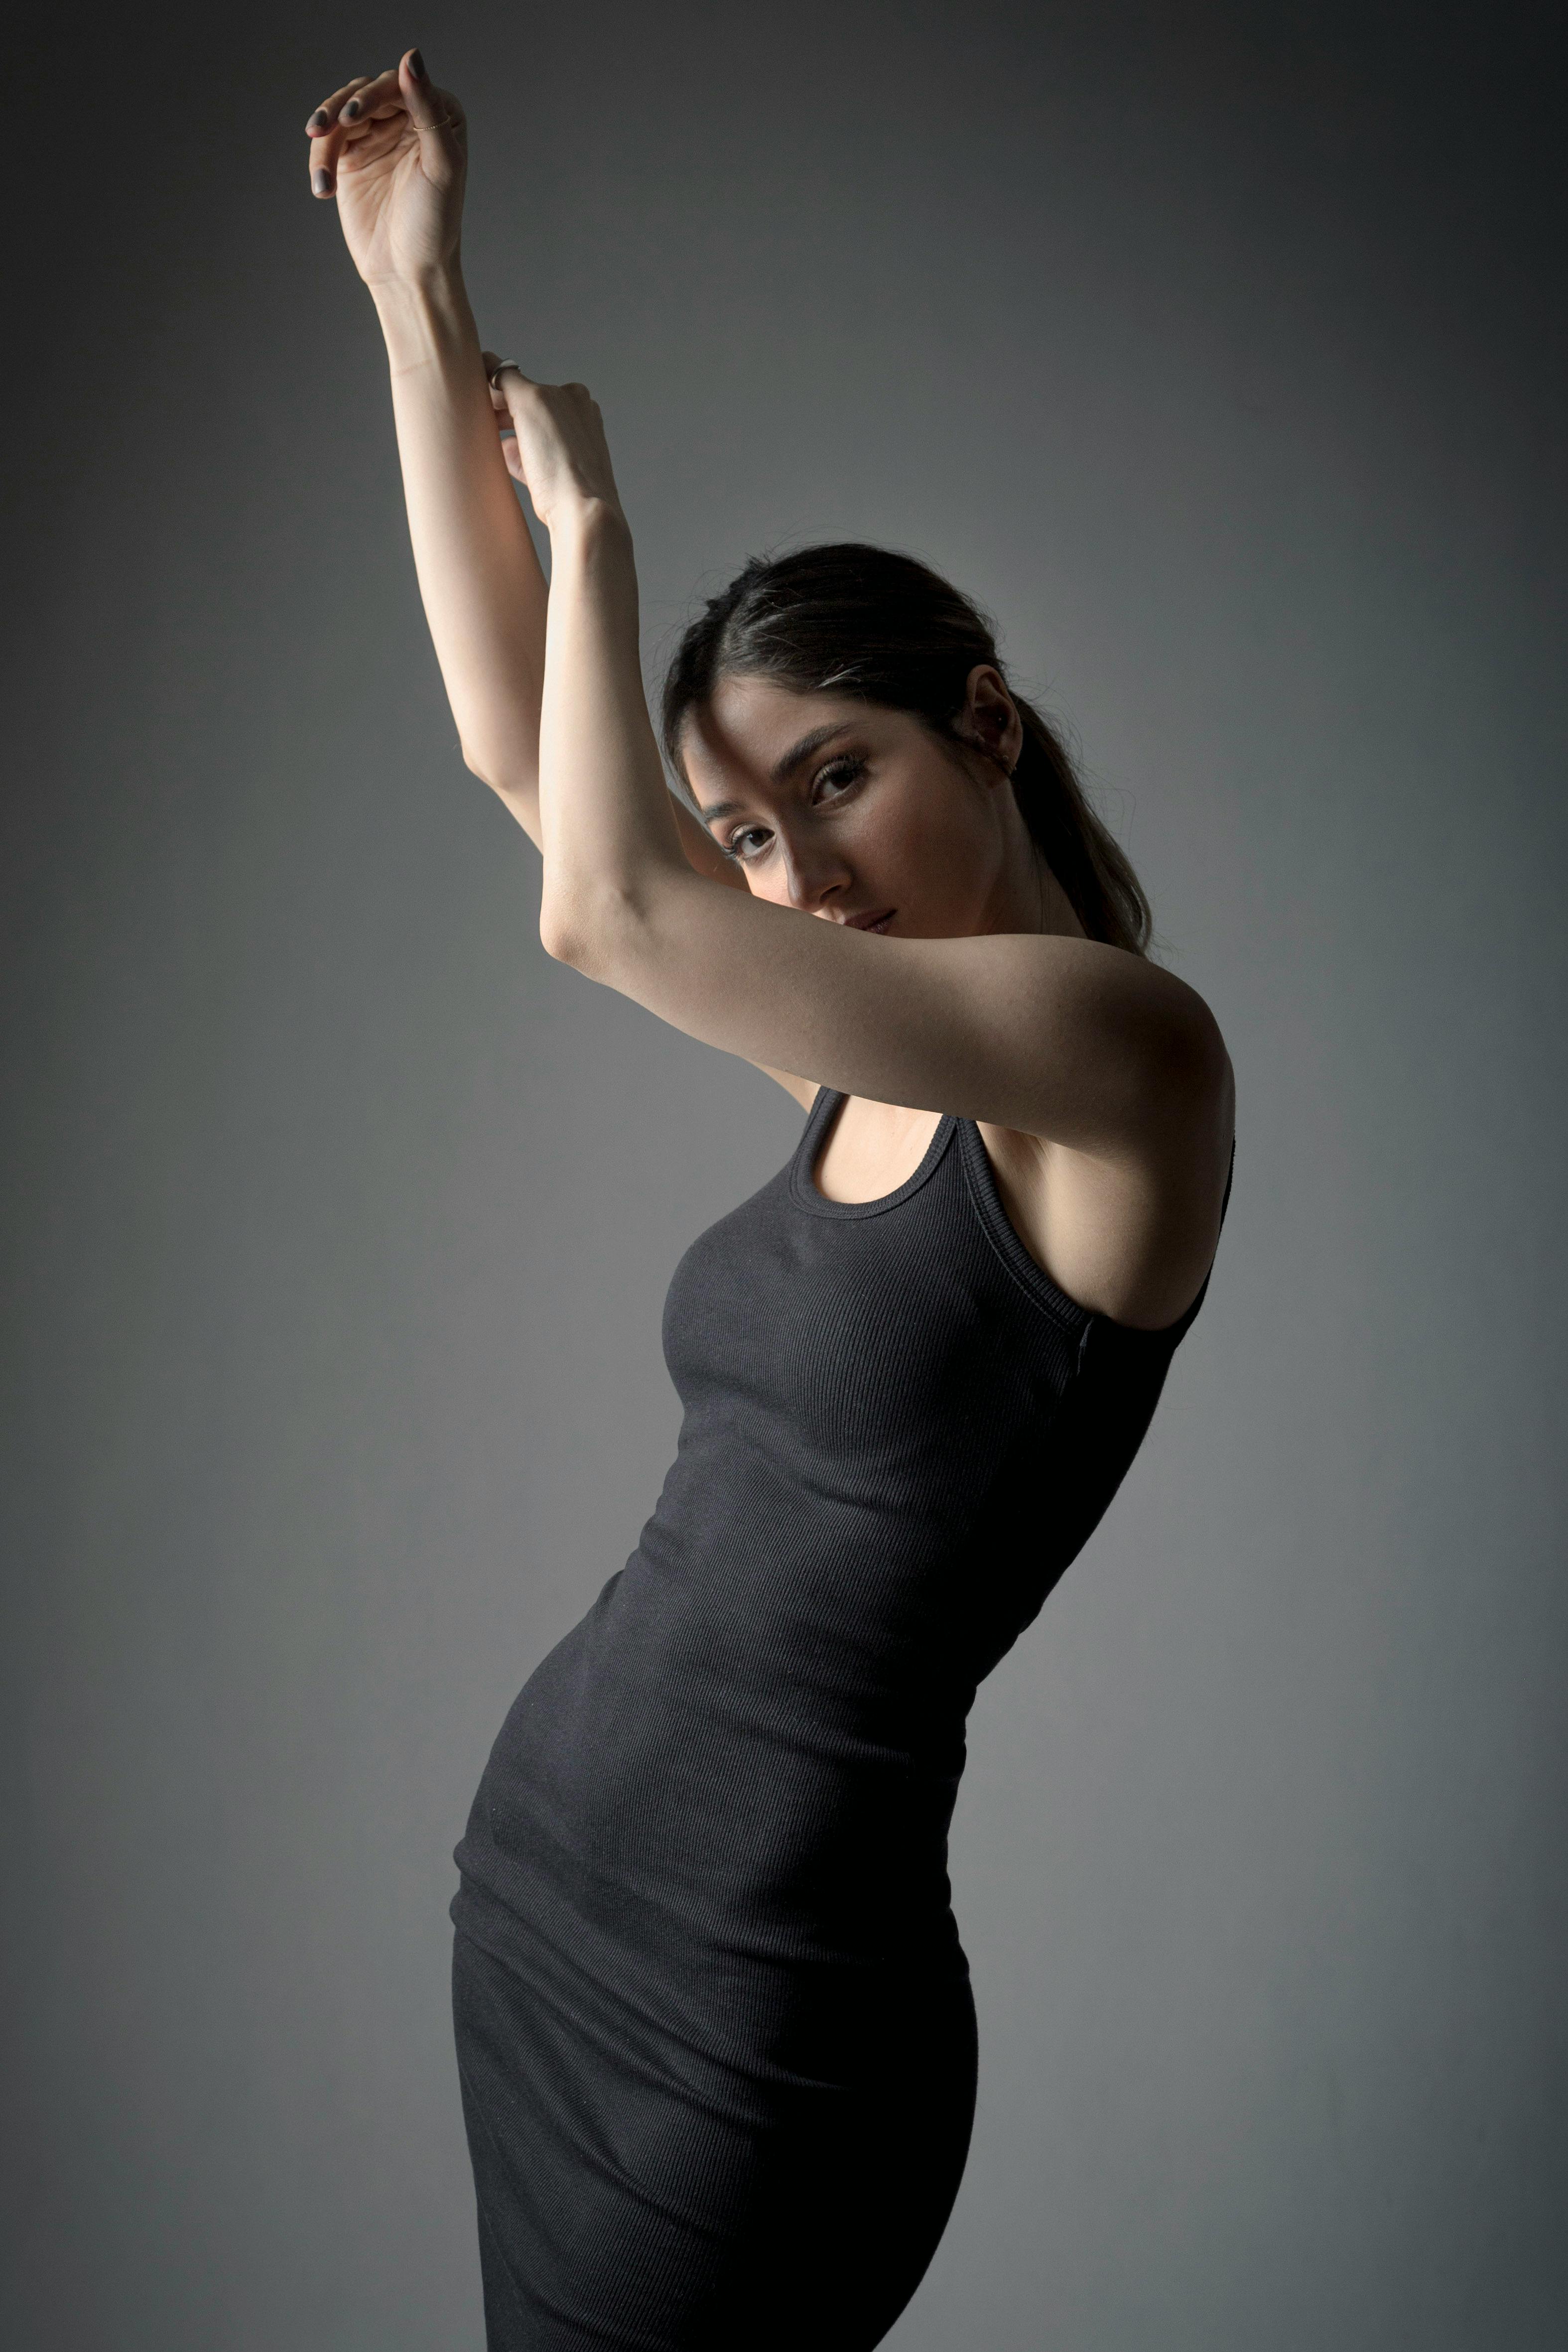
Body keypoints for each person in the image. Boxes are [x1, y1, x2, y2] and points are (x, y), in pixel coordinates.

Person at [304, 48, 1236, 2352]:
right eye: (749, 831)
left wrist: (602, 527)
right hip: (551, 1916)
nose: (798, 875)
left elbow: (600, 906)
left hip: (762, 2012)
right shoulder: (862, 1047)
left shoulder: (1126, 1056)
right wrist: (419, 301)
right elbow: (517, 756)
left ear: (984, 721)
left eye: (836, 779)